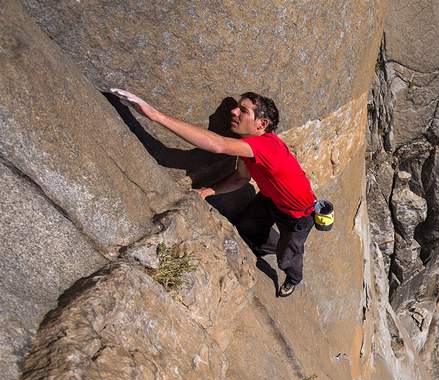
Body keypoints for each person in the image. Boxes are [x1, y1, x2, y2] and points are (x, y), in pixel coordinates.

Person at [112, 89, 316, 297]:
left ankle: (293, 277)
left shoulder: (265, 146)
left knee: (287, 256)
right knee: (247, 226)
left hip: (297, 213)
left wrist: (156, 116)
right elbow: (241, 178)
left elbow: (218, 145)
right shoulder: (248, 147)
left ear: (261, 124)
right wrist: (207, 191)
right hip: (270, 198)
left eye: (243, 110)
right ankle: (269, 246)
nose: (234, 112)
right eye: (237, 106)